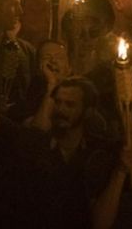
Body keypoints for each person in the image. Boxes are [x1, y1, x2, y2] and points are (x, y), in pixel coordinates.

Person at [29, 76, 108, 229]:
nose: (61, 109)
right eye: (58, 102)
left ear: (87, 112)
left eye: (70, 105)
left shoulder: (97, 153)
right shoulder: (41, 147)